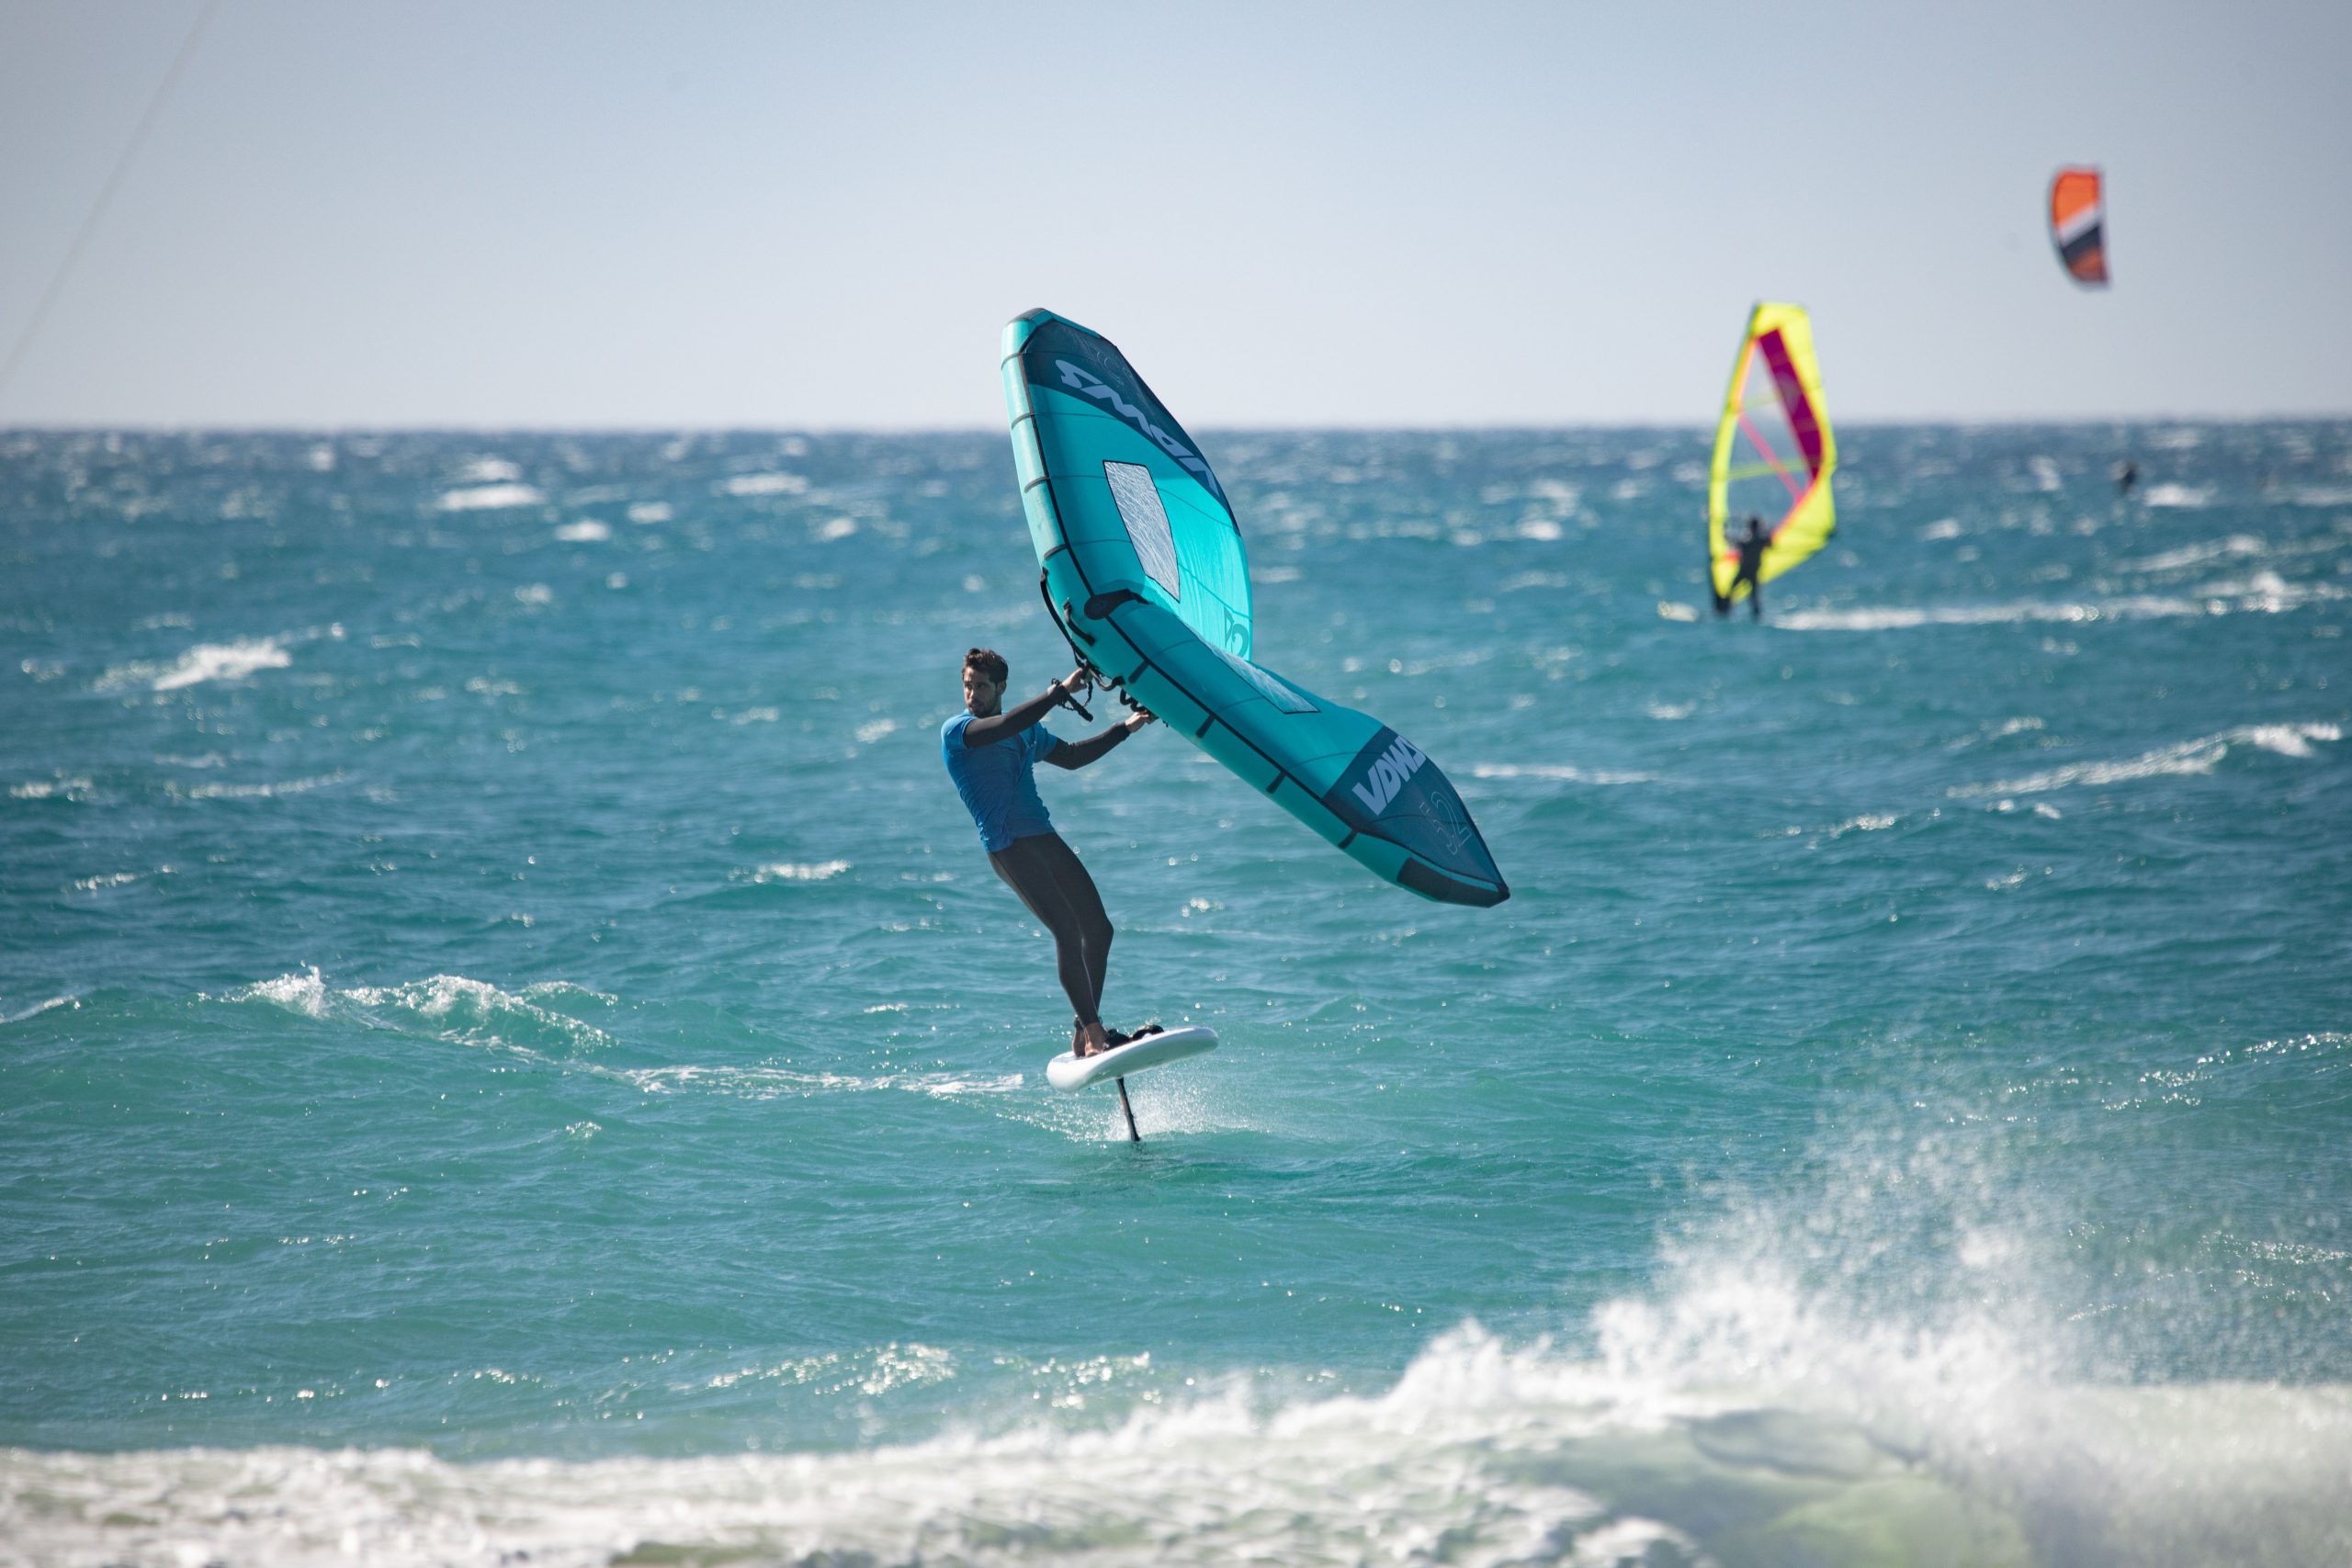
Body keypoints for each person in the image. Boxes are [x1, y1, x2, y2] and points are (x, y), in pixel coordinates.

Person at [942, 648, 1156, 1058]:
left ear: (1001, 687)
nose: (972, 694)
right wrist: (1059, 693)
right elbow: (1006, 725)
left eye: (982, 687)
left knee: (1099, 930)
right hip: (1008, 845)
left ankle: (1083, 1030)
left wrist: (1127, 728)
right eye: (968, 685)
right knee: (1066, 929)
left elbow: (1072, 757)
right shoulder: (959, 733)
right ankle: (1095, 1033)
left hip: (1043, 837)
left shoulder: (1027, 732)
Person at [1713, 514, 1769, 621]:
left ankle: (1727, 612)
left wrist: (1725, 533)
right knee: (1752, 596)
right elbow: (1770, 543)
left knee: (1748, 595)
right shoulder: (1758, 540)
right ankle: (1754, 616)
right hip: (1748, 572)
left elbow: (1733, 542)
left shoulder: (1753, 540)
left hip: (1747, 572)